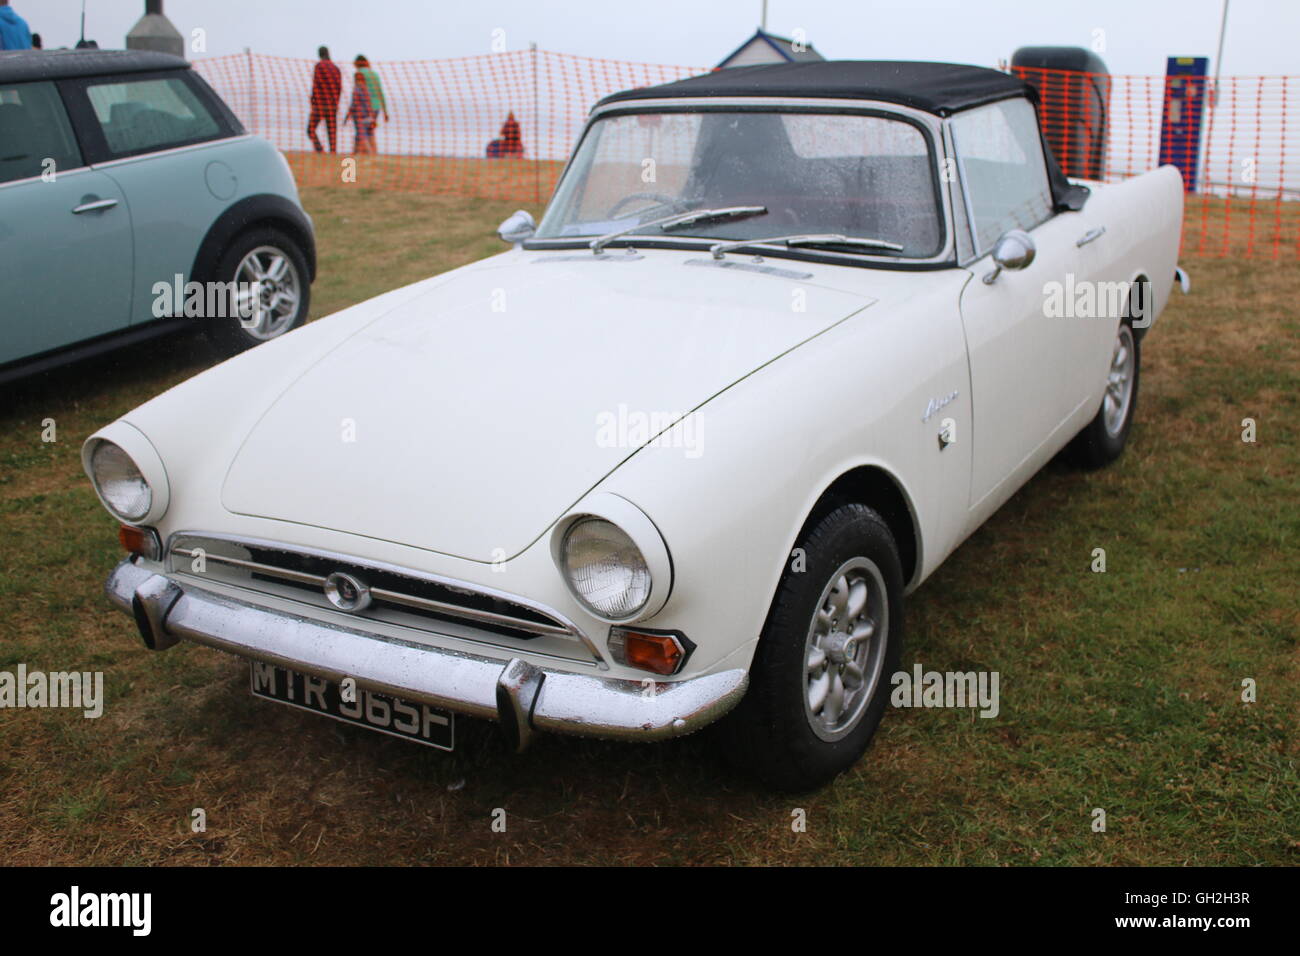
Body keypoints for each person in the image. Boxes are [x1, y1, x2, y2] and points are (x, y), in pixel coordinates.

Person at [307, 46, 342, 153]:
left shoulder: (319, 66)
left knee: (310, 130)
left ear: (319, 54)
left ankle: (320, 150)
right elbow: (339, 87)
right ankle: (332, 152)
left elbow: (316, 84)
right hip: (332, 104)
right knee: (331, 131)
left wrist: (313, 101)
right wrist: (336, 103)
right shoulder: (336, 68)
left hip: (320, 104)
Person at [353, 56, 388, 151]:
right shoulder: (374, 74)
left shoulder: (358, 74)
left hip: (363, 108)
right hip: (376, 107)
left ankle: (368, 153)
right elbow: (380, 92)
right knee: (370, 131)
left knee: (361, 132)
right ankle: (372, 153)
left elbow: (357, 93)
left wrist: (352, 108)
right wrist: (385, 111)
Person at [343, 68, 375, 154]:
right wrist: (371, 117)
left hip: (359, 116)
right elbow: (369, 104)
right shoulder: (367, 89)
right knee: (359, 136)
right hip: (367, 116)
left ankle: (370, 153)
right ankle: (354, 153)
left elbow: (354, 104)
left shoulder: (356, 89)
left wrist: (347, 116)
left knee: (362, 136)